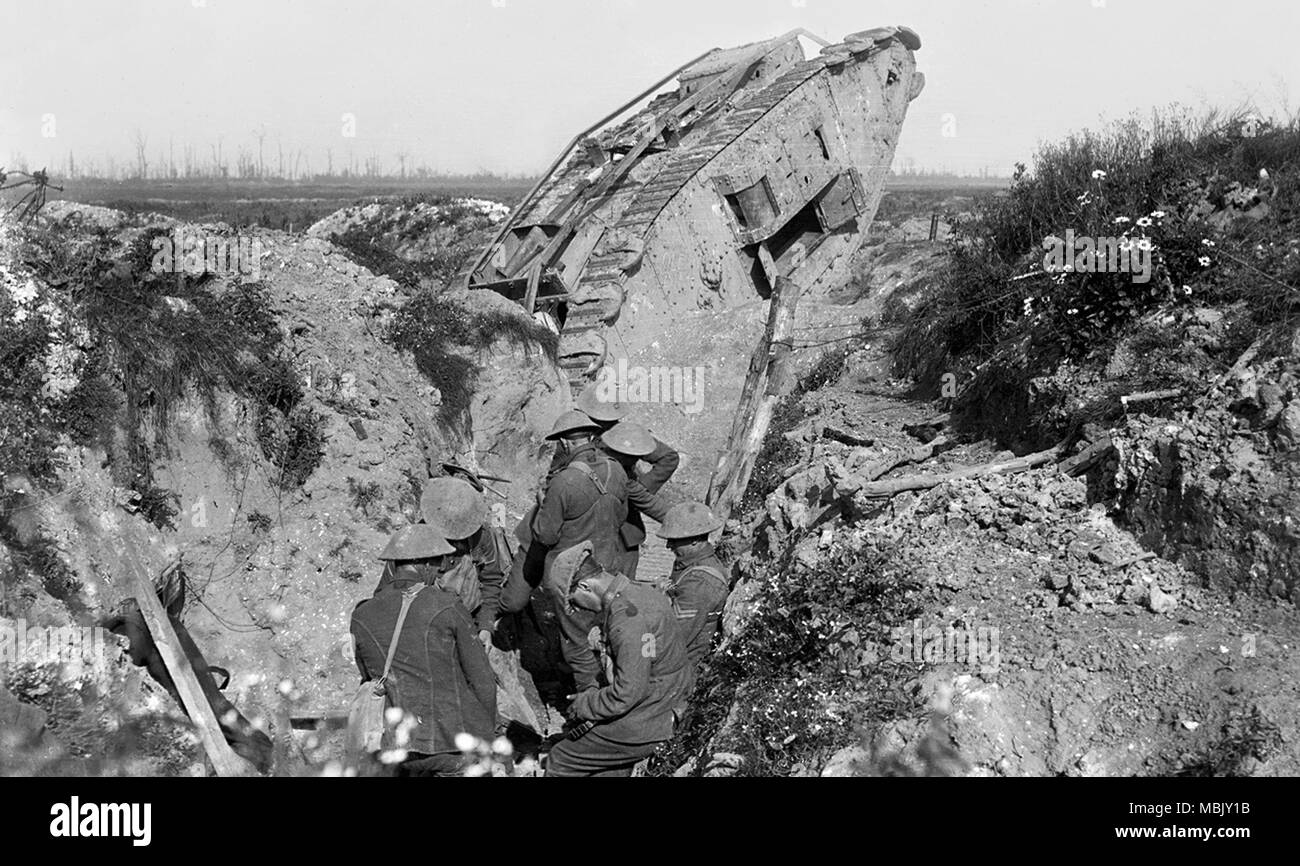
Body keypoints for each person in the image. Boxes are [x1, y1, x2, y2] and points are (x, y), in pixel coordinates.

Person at [351, 524, 496, 777]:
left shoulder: (361, 615)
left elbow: (368, 676)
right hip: (449, 747)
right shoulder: (448, 606)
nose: (440, 572)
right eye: (438, 565)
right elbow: (483, 681)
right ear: (425, 565)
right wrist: (490, 738)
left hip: (393, 749)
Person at [542, 545, 688, 777]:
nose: (578, 607)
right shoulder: (641, 591)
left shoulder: (627, 621)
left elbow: (627, 693)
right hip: (664, 703)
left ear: (585, 586)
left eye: (574, 600)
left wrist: (585, 703)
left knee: (561, 759)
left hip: (649, 719)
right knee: (608, 767)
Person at [522, 409, 630, 694]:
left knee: (578, 644)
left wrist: (543, 504)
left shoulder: (563, 481)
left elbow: (545, 534)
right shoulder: (616, 469)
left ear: (566, 443)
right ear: (591, 436)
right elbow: (621, 516)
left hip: (574, 575)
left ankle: (587, 704)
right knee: (608, 635)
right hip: (609, 570)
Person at [420, 476, 512, 650]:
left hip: (469, 618)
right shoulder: (416, 541)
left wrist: (485, 627)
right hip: (426, 625)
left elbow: (491, 580)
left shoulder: (481, 537)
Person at [656, 502, 729, 693]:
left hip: (677, 673)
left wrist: (658, 598)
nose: (668, 545)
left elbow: (672, 637)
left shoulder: (701, 583)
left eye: (675, 540)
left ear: (695, 540)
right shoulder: (688, 563)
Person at [599, 420, 673, 580]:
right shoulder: (620, 476)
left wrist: (640, 488)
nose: (636, 461)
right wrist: (683, 521)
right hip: (608, 537)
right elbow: (651, 504)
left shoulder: (597, 457)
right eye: (634, 457)